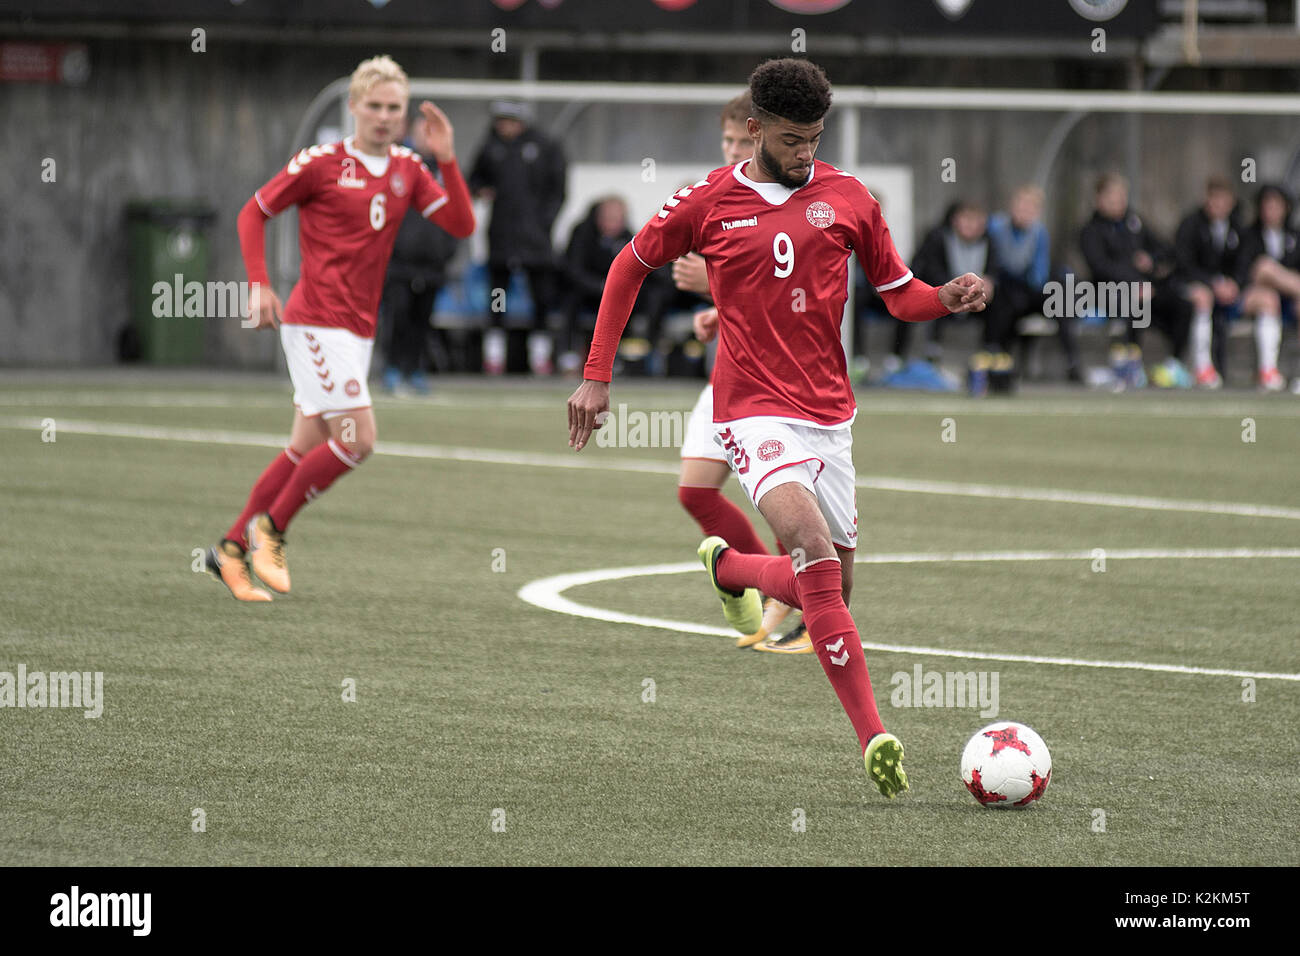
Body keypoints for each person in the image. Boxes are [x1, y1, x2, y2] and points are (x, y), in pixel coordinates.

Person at [567, 58, 988, 798]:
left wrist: (945, 297)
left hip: (830, 416)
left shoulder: (849, 197)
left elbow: (899, 295)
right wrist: (597, 376)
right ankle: (875, 740)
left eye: (816, 139)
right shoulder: (706, 202)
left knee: (830, 590)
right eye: (793, 140)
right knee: (812, 551)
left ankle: (727, 567)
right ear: (755, 129)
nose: (806, 154)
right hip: (750, 407)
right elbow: (625, 270)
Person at [204, 55, 474, 601]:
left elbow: (461, 225)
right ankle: (270, 530)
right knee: (358, 439)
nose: (383, 116)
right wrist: (259, 283)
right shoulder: (321, 162)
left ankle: (230, 550)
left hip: (357, 328)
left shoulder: (408, 168)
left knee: (305, 446)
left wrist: (446, 160)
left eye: (393, 108)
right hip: (314, 321)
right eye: (373, 106)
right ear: (352, 106)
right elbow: (252, 212)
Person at [670, 92, 804, 655]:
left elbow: (787, 296)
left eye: (739, 141)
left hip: (779, 384)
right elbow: (747, 294)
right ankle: (759, 581)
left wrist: (711, 287)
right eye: (725, 141)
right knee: (695, 492)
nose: (729, 151)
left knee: (794, 507)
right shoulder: (719, 197)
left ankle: (799, 607)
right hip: (727, 374)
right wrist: (716, 311)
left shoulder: (789, 200)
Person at [469, 100, 567, 376]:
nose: (504, 127)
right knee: (498, 295)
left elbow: (558, 190)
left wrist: (542, 223)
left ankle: (540, 355)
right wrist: (482, 190)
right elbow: (474, 179)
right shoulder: (491, 147)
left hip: (535, 240)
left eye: (509, 121)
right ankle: (494, 354)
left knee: (541, 296)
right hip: (501, 235)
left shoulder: (545, 146)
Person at [1079, 173, 1192, 389]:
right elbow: (1100, 267)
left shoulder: (1134, 223)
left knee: (1183, 305)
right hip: (1108, 293)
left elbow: (1166, 250)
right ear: (1099, 199)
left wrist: (1152, 261)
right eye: (1112, 198)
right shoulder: (1090, 231)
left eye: (1122, 197)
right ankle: (1131, 364)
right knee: (1131, 302)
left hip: (1147, 290)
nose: (1118, 203)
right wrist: (1134, 281)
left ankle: (1173, 365)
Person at [380, 110, 462, 395]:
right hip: (399, 262)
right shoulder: (397, 165)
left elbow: (458, 212)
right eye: (422, 131)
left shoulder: (446, 170)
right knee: (397, 317)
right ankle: (392, 369)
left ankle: (415, 370)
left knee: (422, 320)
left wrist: (447, 249)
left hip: (433, 264)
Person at [890, 201, 996, 387]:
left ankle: (991, 353)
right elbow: (927, 270)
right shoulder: (938, 238)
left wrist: (990, 283)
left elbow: (996, 271)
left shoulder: (990, 243)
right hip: (938, 289)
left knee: (1001, 301)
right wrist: (953, 288)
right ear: (955, 221)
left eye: (976, 221)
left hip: (973, 296)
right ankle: (902, 356)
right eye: (966, 220)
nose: (971, 226)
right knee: (911, 301)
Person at [987, 185, 1083, 385]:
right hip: (1005, 288)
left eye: (1031, 209)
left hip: (1030, 289)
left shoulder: (1039, 233)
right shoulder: (995, 228)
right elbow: (993, 265)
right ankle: (999, 361)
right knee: (1004, 303)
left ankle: (1073, 361)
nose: (1025, 212)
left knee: (1060, 298)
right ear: (1012, 207)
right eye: (1021, 207)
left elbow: (1039, 275)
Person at [1231, 183, 1299, 391]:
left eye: (1276, 205)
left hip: (1288, 299)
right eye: (1266, 204)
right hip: (1251, 297)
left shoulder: (1294, 237)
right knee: (1265, 271)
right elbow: (1243, 272)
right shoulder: (1248, 235)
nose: (1270, 209)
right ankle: (1267, 371)